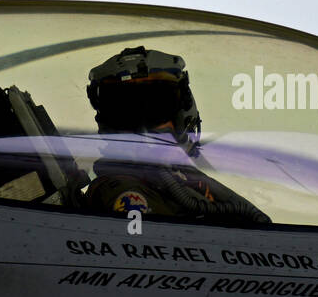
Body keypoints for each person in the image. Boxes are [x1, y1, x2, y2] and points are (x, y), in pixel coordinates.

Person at [84, 46, 268, 223]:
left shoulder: (184, 179)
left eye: (158, 106)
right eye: (124, 112)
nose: (143, 128)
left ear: (183, 112)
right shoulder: (122, 192)